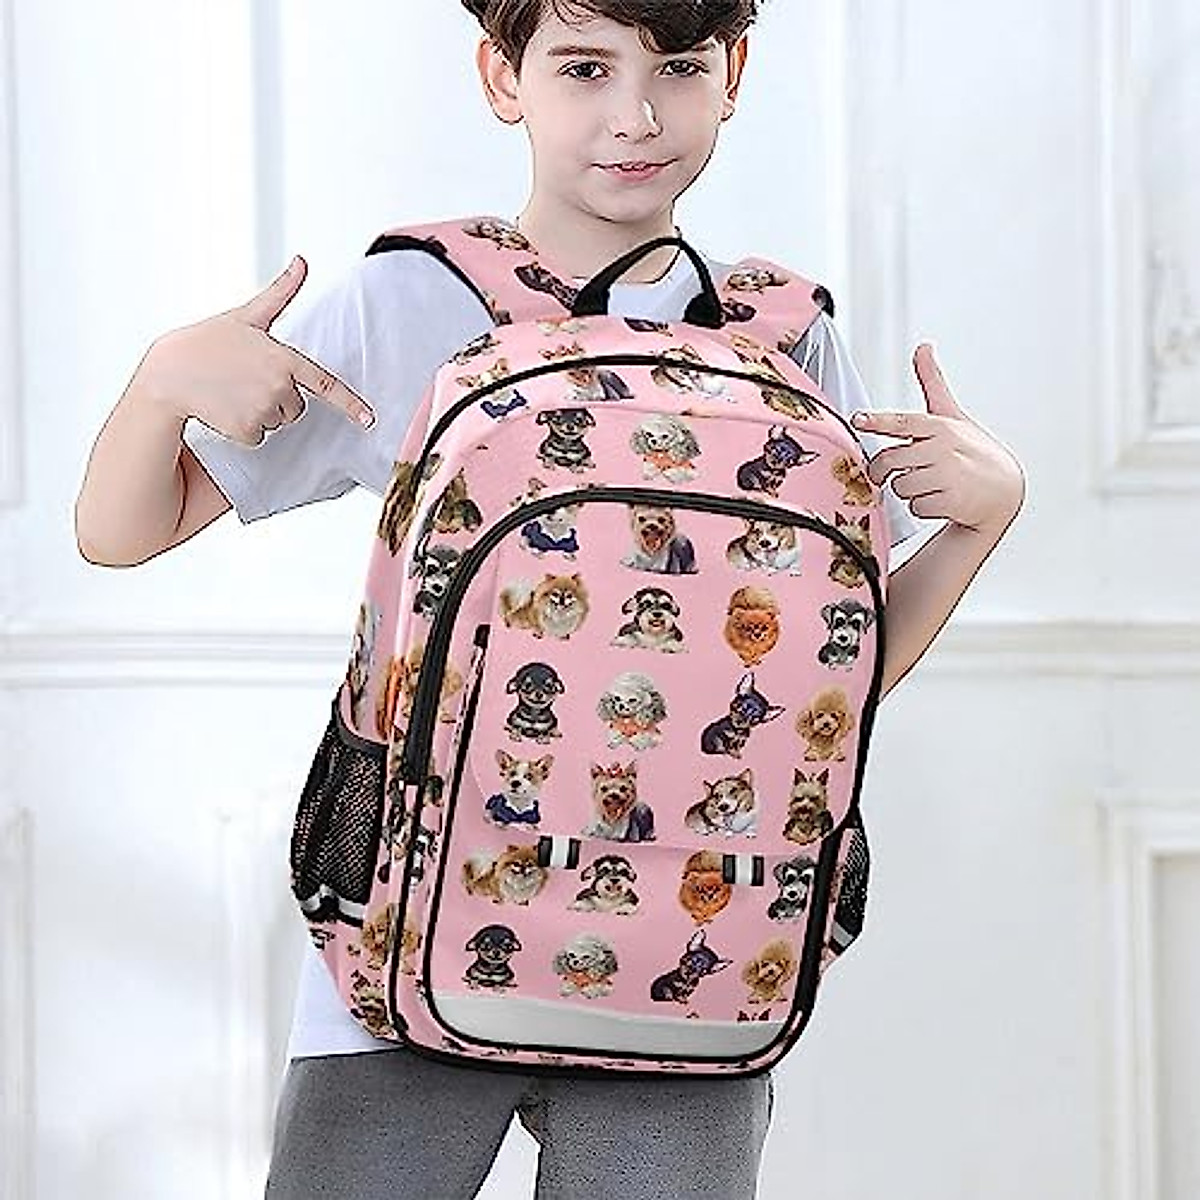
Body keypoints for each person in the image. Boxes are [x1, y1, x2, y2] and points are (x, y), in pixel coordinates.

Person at [74, 1, 1025, 1196]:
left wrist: (982, 521)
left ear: (733, 73)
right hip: (406, 942)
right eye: (584, 67)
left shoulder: (786, 336)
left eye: (678, 67)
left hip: (691, 954)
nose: (636, 116)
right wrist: (161, 384)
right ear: (501, 76)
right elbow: (122, 532)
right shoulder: (407, 299)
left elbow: (832, 678)